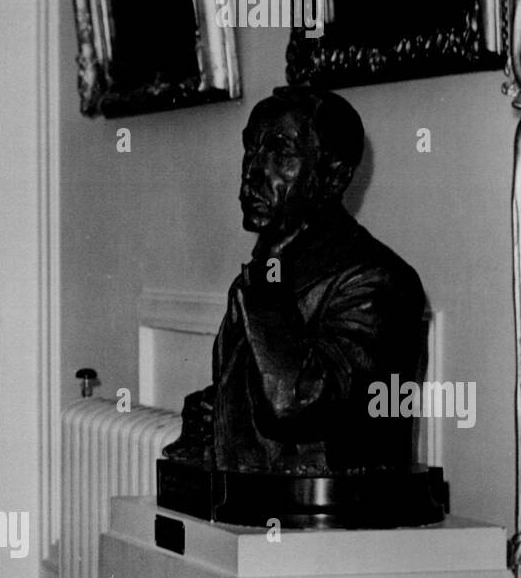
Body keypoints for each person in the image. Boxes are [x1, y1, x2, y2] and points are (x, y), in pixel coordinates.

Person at [164, 85, 426, 476]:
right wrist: (217, 413)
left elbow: (295, 404)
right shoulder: (264, 274)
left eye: (281, 153)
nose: (253, 170)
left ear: (333, 177)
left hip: (340, 525)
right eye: (251, 148)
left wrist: (268, 280)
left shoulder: (377, 281)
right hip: (266, 513)